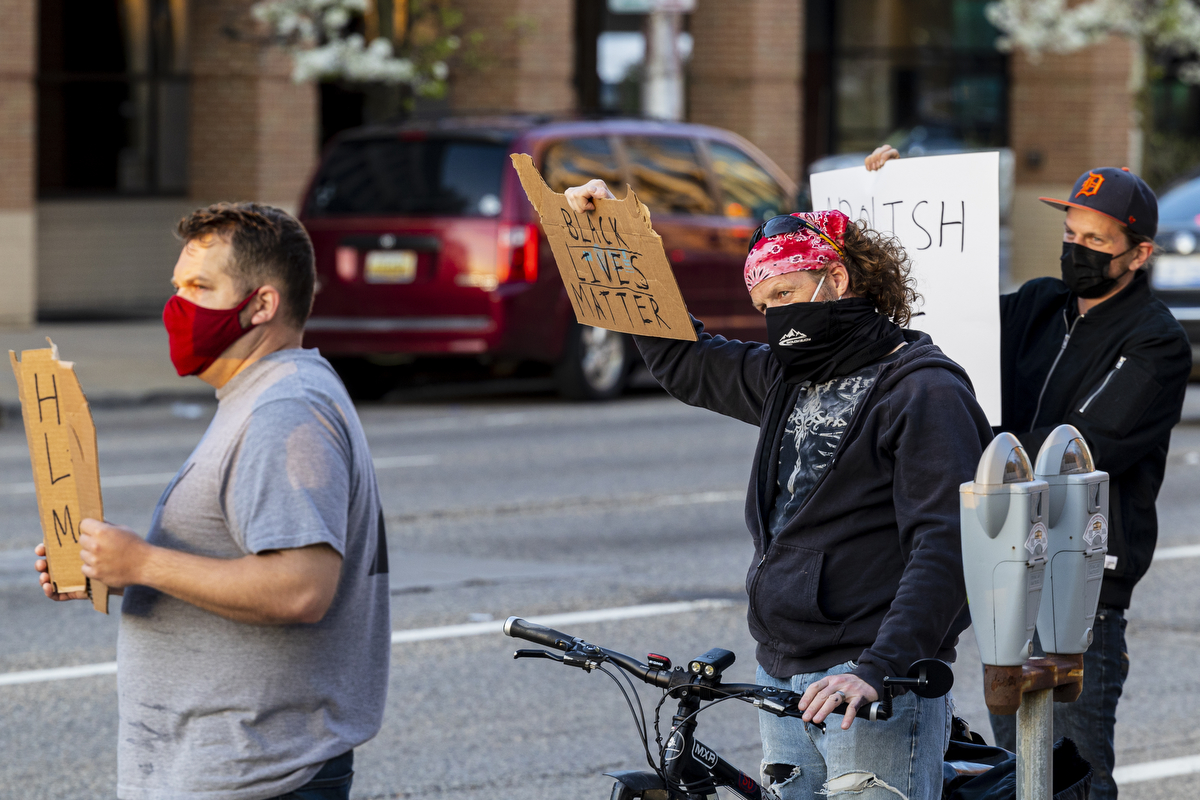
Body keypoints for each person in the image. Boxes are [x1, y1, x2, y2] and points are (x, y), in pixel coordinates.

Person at [566, 181, 992, 800]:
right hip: (783, 671)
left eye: (787, 293)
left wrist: (879, 669)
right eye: (765, 304)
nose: (778, 316)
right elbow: (687, 361)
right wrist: (610, 242)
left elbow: (947, 544)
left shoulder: (923, 390)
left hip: (869, 681)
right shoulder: (786, 376)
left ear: (838, 280)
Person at [34, 203, 392, 800]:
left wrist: (143, 564)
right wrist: (113, 567)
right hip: (232, 770)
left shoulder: (284, 411)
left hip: (256, 775)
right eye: (177, 287)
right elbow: (237, 561)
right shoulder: (268, 395)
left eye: (201, 287)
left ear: (261, 305)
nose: (178, 306)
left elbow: (300, 588)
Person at [867, 146, 1191, 799]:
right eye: (1071, 234)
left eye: (1098, 240)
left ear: (1139, 254)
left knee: (1074, 768)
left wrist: (975, 444)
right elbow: (942, 306)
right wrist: (895, 198)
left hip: (1080, 581)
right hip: (1004, 564)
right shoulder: (1041, 305)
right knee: (1018, 765)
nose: (1078, 249)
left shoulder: (1154, 340)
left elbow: (1080, 450)